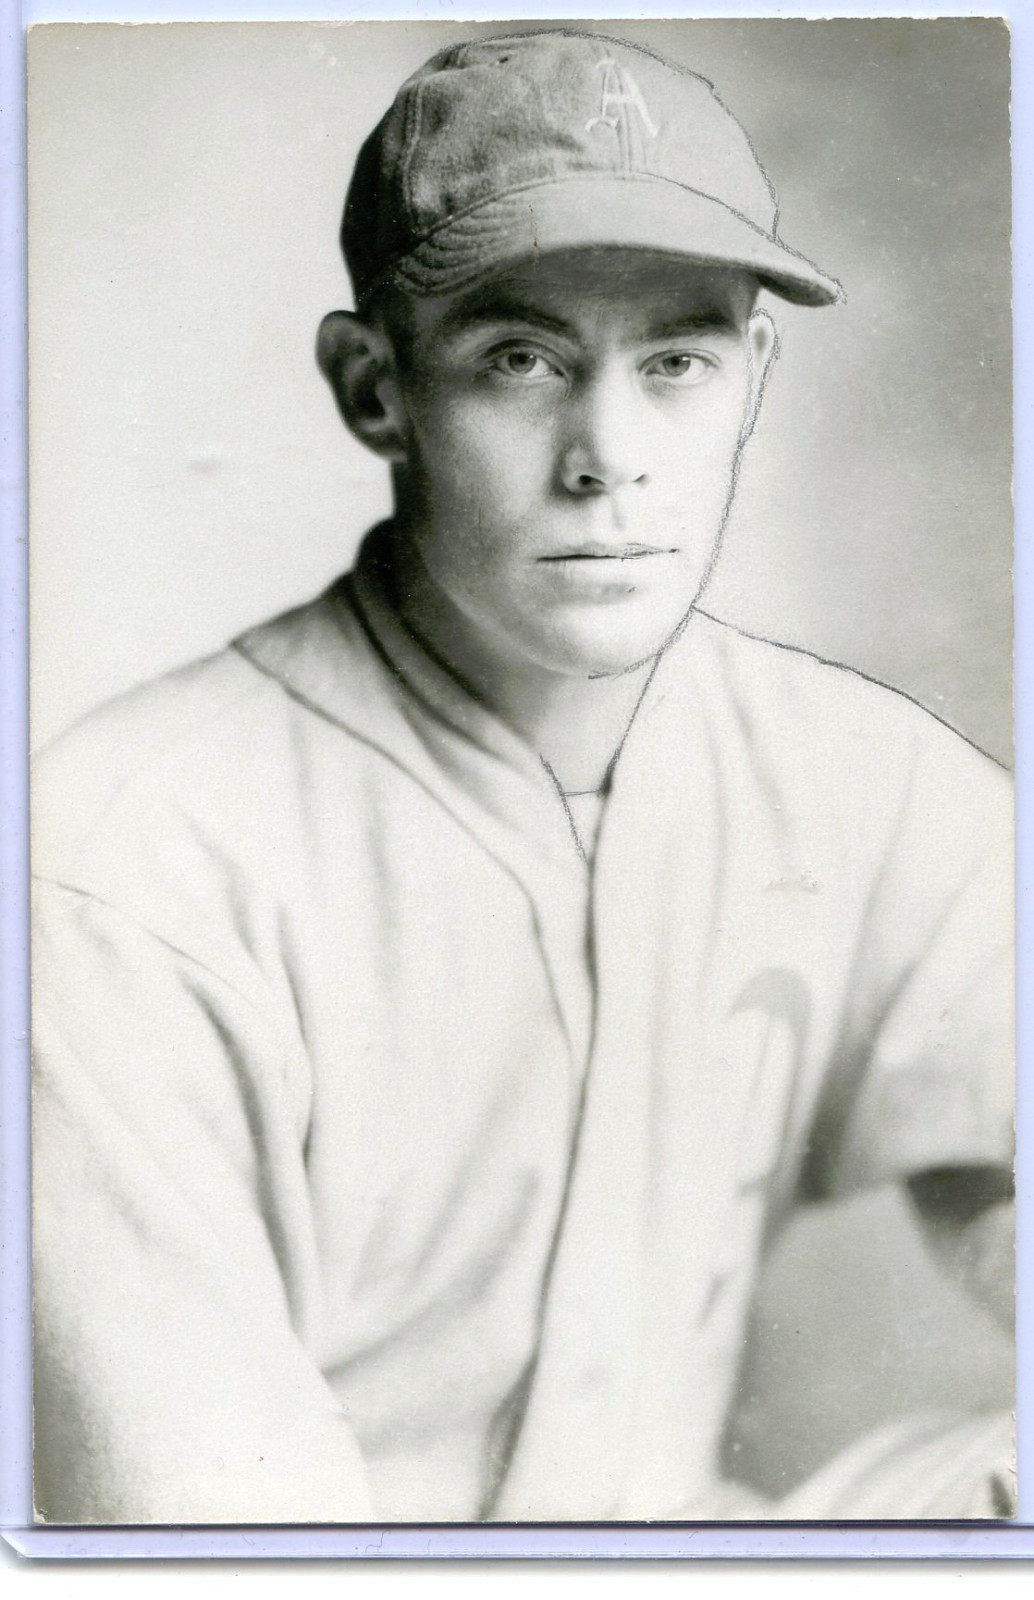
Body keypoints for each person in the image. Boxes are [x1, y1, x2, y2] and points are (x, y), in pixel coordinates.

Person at [31, 28, 1014, 1524]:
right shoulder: (118, 868)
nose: (607, 454)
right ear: (374, 389)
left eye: (672, 360)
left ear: (748, 380)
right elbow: (206, 1547)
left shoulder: (859, 780)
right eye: (519, 358)